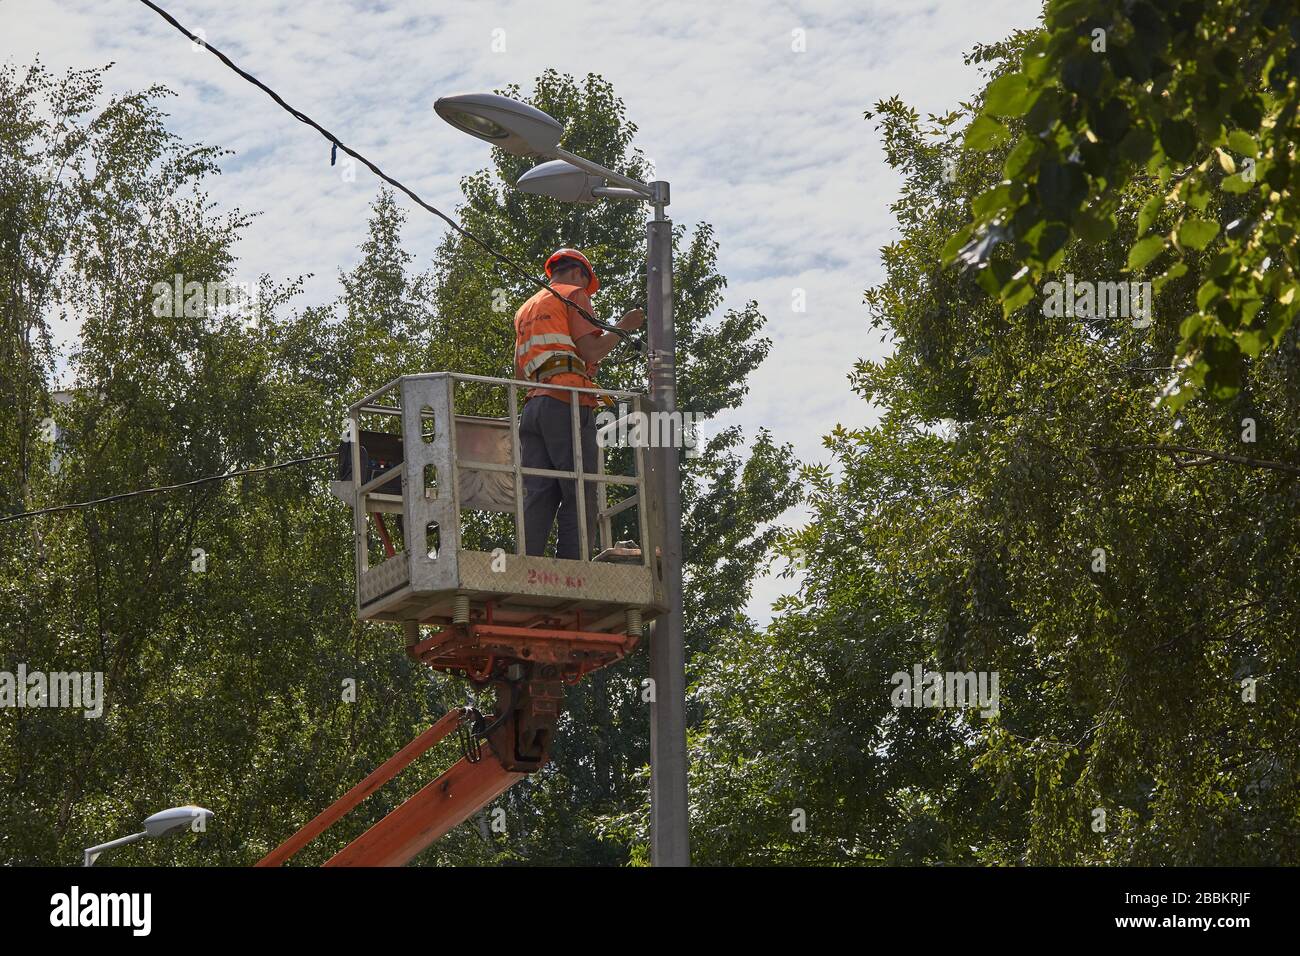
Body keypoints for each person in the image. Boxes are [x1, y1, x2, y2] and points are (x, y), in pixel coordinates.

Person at [513, 248, 643, 559]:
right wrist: (624, 325)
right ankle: (574, 564)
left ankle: (528, 563)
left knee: (541, 491)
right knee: (581, 488)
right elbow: (592, 351)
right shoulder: (574, 294)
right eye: (586, 283)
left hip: (533, 407)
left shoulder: (527, 308)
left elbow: (521, 370)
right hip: (567, 403)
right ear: (577, 274)